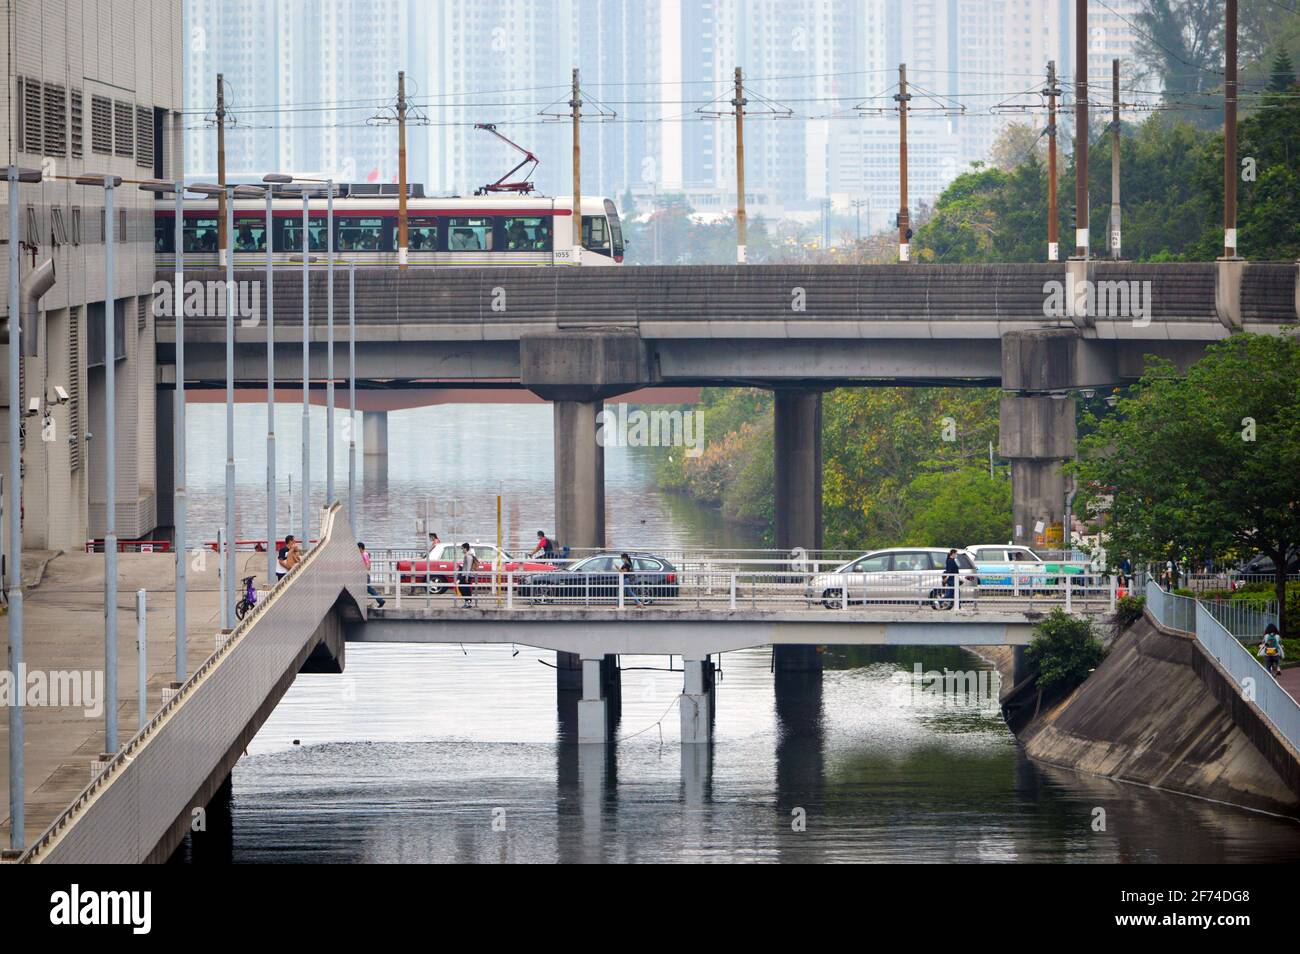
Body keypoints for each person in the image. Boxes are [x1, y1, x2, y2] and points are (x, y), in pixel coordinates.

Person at [358, 541, 385, 607]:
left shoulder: (364, 554)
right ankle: (380, 600)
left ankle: (380, 600)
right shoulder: (365, 554)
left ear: (361, 548)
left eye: (357, 548)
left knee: (368, 588)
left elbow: (368, 564)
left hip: (364, 575)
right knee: (367, 588)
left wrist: (365, 572)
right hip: (365, 574)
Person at [456, 542, 479, 608]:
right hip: (466, 574)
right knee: (465, 588)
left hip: (466, 575)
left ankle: (468, 601)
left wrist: (466, 576)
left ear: (466, 548)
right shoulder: (468, 555)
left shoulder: (468, 556)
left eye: (462, 548)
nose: (462, 550)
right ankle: (468, 601)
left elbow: (468, 566)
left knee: (463, 587)